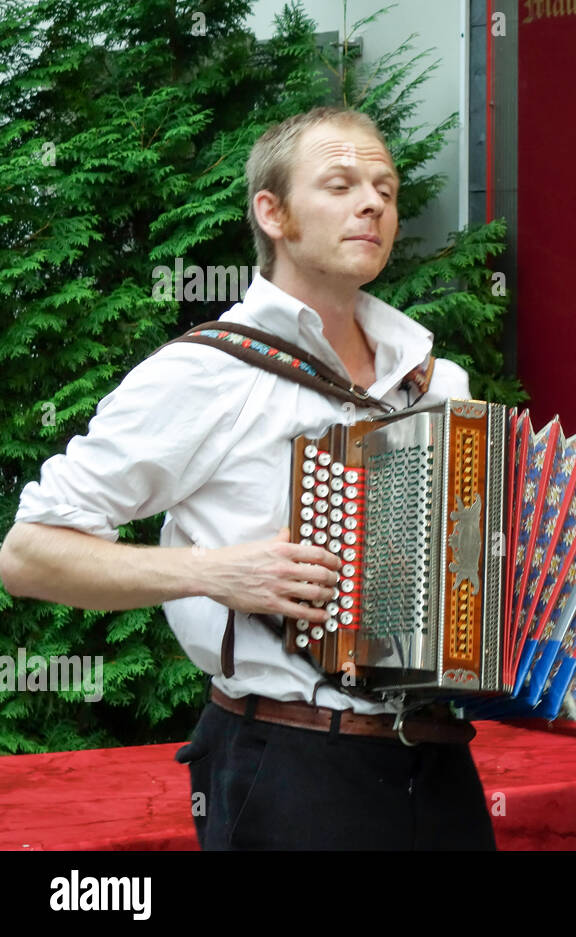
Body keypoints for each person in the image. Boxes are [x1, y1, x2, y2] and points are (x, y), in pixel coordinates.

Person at [0, 107, 494, 849]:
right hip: (291, 767)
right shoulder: (207, 373)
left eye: (385, 189)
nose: (373, 203)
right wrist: (215, 572)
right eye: (341, 184)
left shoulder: (435, 382)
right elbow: (27, 555)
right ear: (274, 213)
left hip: (440, 761)